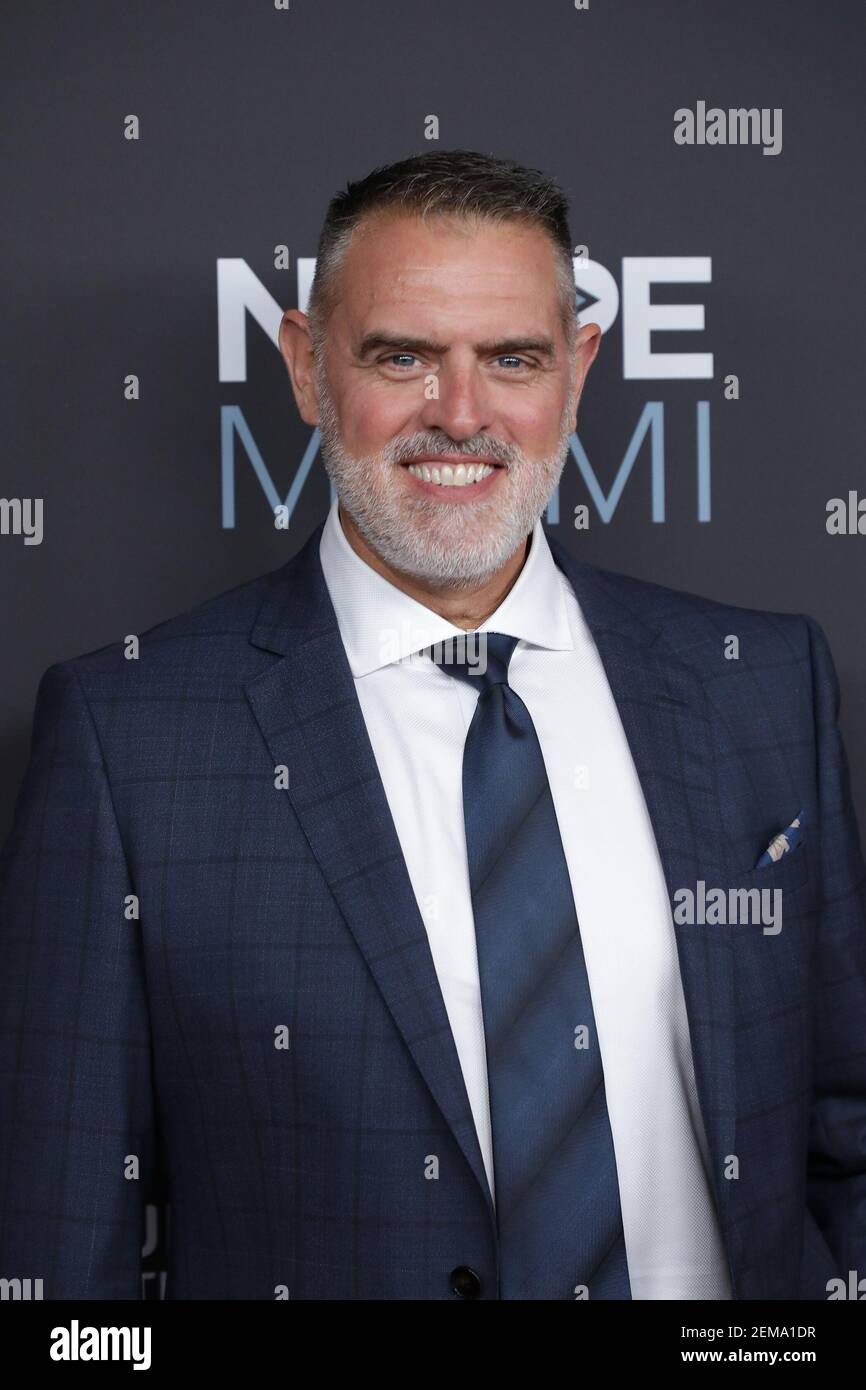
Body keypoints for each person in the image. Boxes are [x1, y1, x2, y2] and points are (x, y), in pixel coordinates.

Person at [1, 149, 864, 1300]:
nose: (459, 416)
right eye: (400, 356)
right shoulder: (127, 736)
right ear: (306, 368)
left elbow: (845, 1131)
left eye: (512, 358)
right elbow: (63, 1268)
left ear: (577, 370)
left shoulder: (760, 685)